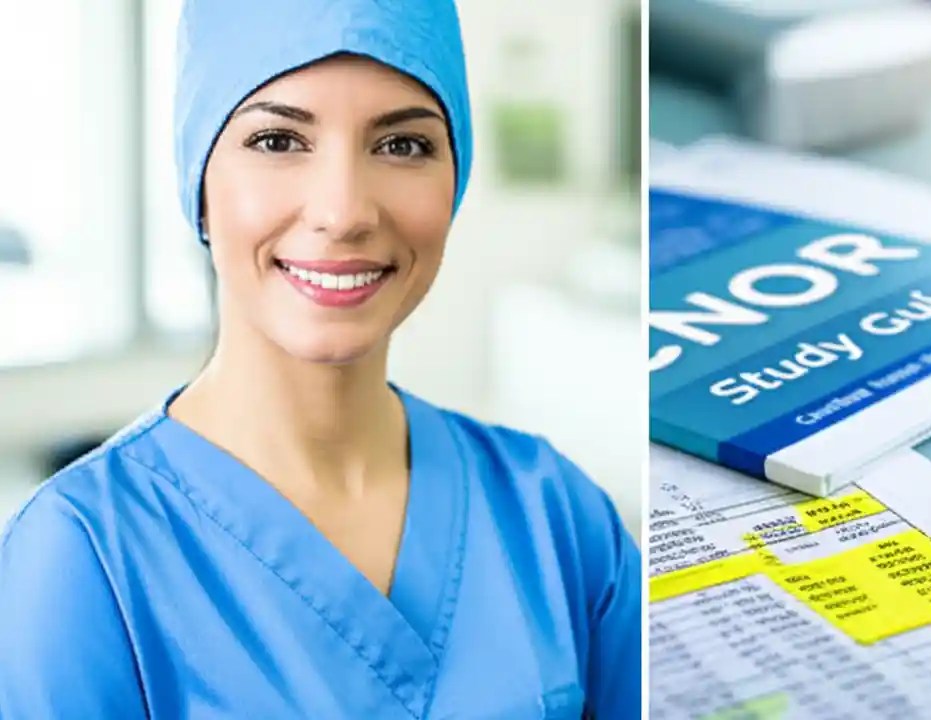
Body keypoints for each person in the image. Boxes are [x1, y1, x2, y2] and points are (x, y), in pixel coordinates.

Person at [0, 1, 640, 718]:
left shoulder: (555, 515)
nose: (344, 210)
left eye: (402, 146)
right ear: (199, 181)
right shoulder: (81, 556)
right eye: (278, 140)